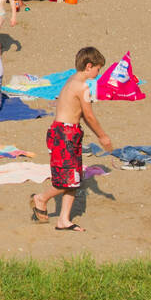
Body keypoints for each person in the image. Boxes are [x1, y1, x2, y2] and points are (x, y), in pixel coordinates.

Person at [31, 47, 113, 233]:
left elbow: (81, 114)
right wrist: (103, 136)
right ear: (89, 66)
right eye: (98, 69)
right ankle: (41, 198)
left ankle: (63, 220)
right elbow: (89, 116)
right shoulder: (81, 86)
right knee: (69, 179)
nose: (98, 73)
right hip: (64, 135)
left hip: (69, 133)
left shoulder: (73, 80)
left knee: (75, 177)